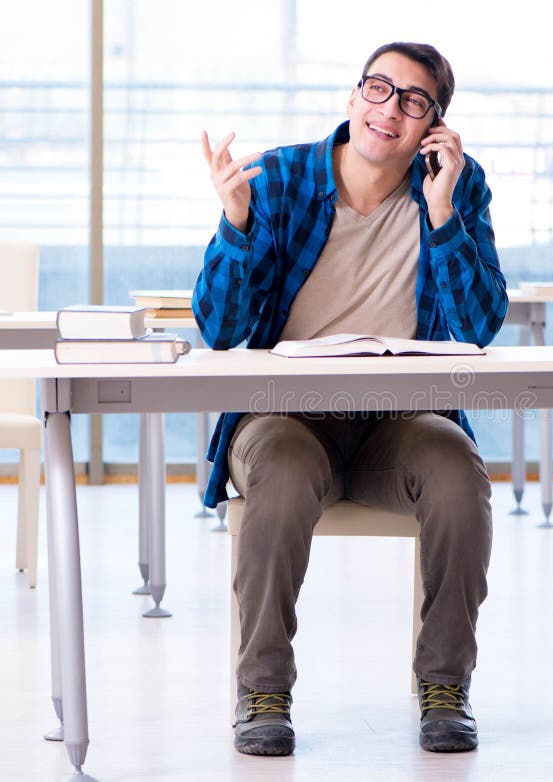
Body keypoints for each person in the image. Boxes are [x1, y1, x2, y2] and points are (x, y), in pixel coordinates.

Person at [193, 41, 508, 757]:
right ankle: (263, 690)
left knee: (459, 475)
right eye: (378, 88)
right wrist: (236, 222)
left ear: (434, 124)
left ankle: (445, 688)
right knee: (280, 471)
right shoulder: (278, 178)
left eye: (413, 99)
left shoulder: (456, 184)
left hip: (397, 423)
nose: (389, 108)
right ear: (351, 97)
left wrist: (442, 210)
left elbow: (482, 320)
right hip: (284, 415)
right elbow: (221, 329)